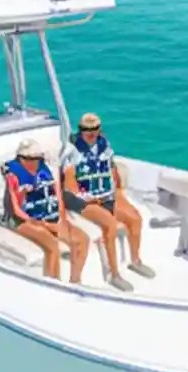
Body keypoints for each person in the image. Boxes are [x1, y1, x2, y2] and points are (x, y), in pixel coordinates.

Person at [61, 112, 154, 292]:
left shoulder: (104, 146)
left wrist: (118, 192)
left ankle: (135, 261)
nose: (91, 133)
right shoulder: (72, 152)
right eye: (86, 130)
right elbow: (70, 185)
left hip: (105, 193)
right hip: (82, 199)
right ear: (80, 131)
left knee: (135, 218)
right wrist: (91, 198)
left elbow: (112, 169)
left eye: (94, 129)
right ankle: (114, 274)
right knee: (109, 224)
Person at [2, 139, 88, 283]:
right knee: (52, 246)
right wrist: (40, 224)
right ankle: (53, 284)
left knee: (82, 240)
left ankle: (75, 281)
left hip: (49, 216)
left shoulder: (46, 169)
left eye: (36, 159)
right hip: (23, 220)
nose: (34, 162)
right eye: (29, 159)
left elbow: (58, 196)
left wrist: (61, 218)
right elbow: (15, 208)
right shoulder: (14, 176)